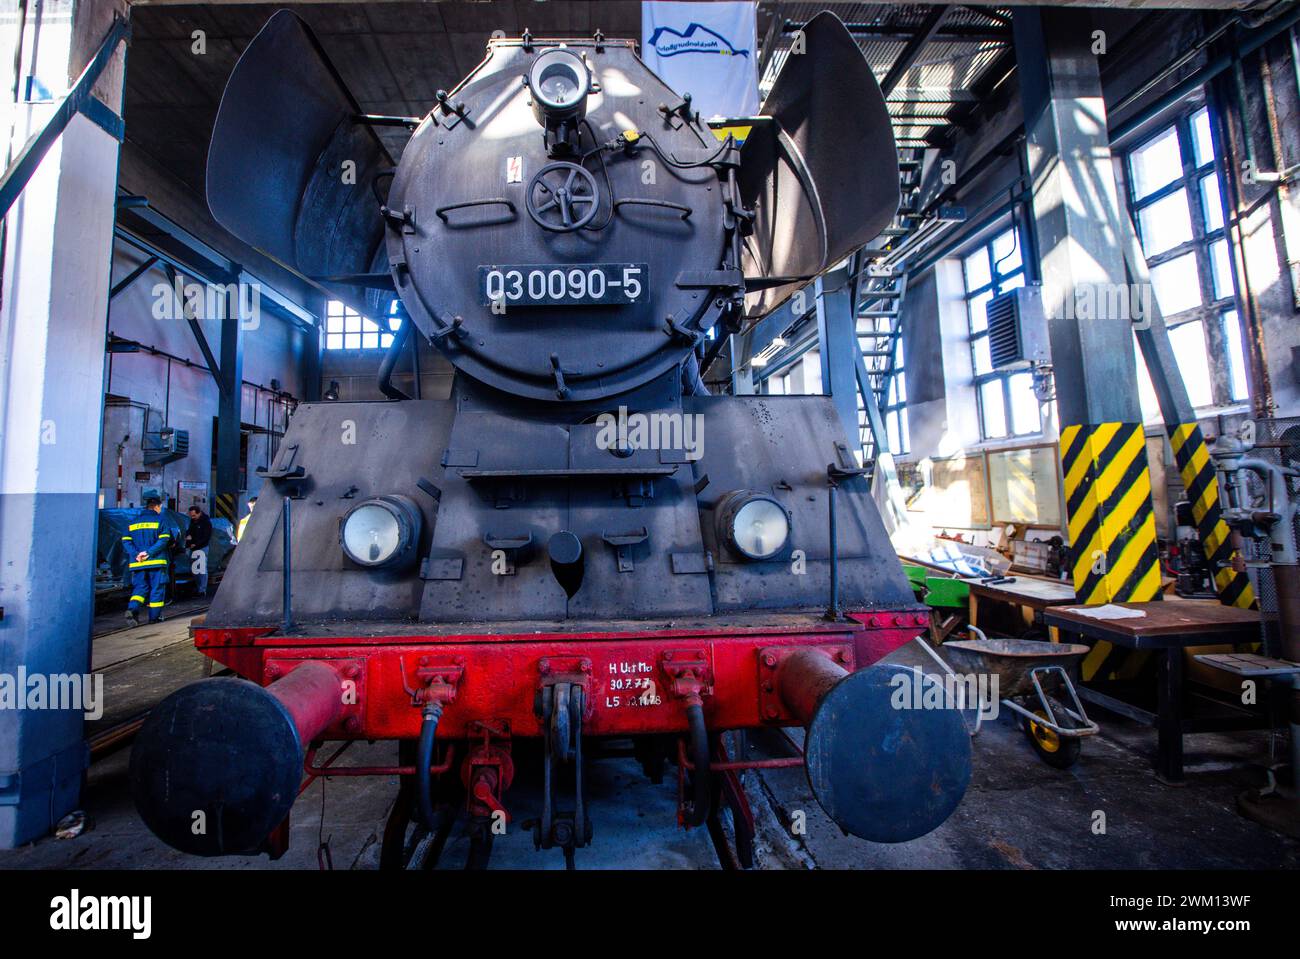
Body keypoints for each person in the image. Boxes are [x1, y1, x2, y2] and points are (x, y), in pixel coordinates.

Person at [122, 495, 172, 626]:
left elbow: (126, 542)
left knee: (140, 588)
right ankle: (154, 618)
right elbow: (164, 540)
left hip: (138, 562)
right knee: (157, 588)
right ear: (156, 506)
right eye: (160, 507)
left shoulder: (132, 523)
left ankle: (132, 609)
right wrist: (148, 553)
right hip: (156, 561)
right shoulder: (161, 520)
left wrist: (136, 554)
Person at [185, 505, 213, 596]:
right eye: (191, 515)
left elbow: (206, 537)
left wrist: (196, 544)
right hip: (194, 548)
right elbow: (189, 531)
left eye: (194, 515)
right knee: (195, 569)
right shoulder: (193, 521)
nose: (192, 517)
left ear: (199, 513)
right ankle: (199, 588)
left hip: (202, 548)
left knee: (202, 569)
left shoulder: (206, 522)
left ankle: (202, 589)